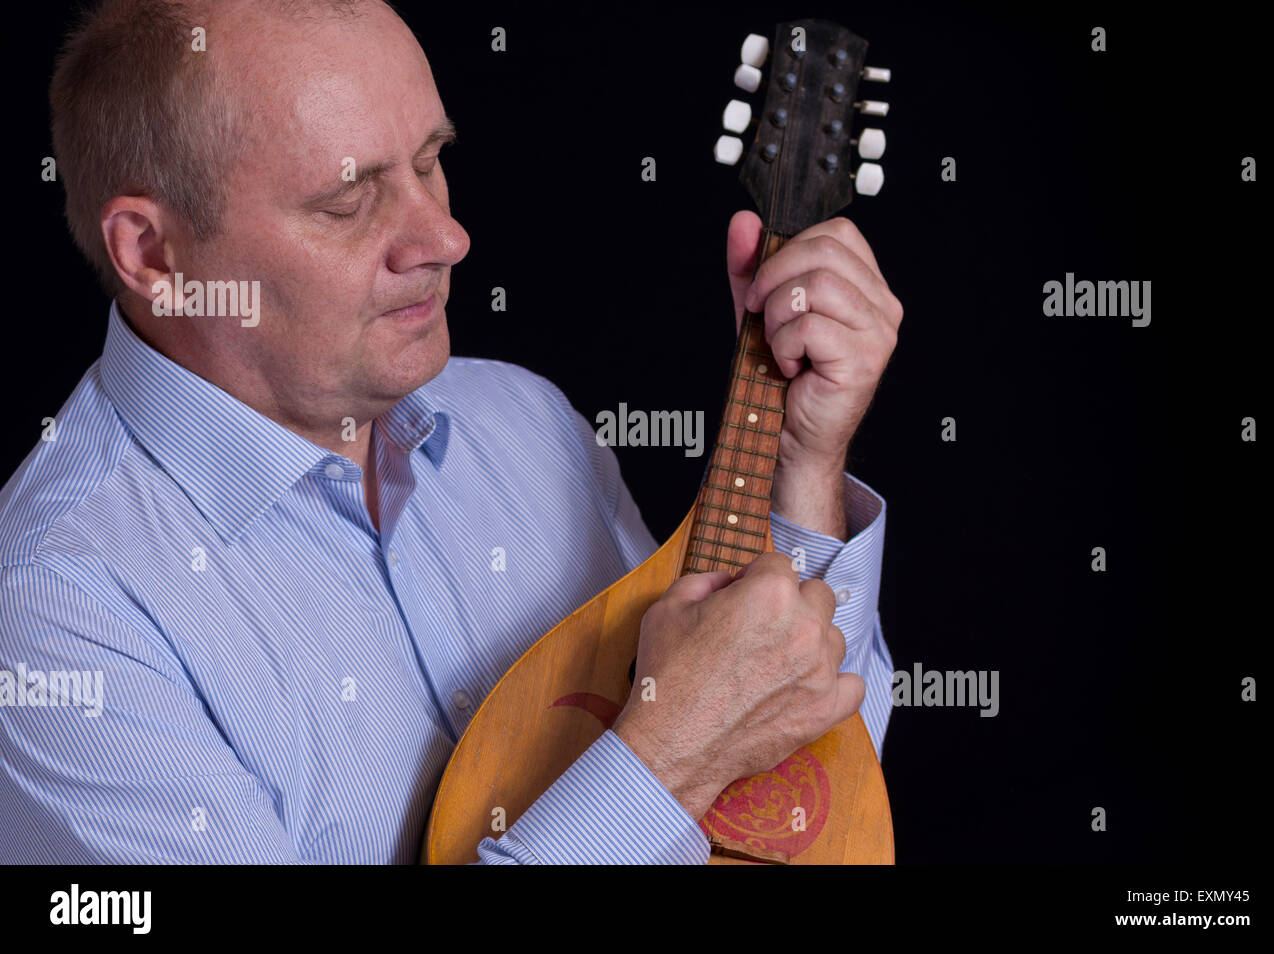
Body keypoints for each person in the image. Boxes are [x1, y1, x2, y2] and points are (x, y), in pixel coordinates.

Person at [0, 0, 903, 863]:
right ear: (154, 255)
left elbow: (797, 807)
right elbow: (700, 742)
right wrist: (667, 759)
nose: (446, 237)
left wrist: (800, 472)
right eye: (348, 203)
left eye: (431, 162)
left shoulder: (523, 424)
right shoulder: (57, 613)